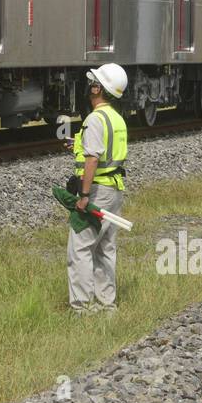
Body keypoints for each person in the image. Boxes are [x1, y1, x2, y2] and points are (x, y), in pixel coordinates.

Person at [65, 62, 129, 314]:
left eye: (92, 82)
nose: (88, 86)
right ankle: (106, 304)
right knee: (106, 247)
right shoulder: (116, 118)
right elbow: (106, 150)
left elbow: (93, 159)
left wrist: (84, 194)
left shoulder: (94, 119)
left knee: (80, 248)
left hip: (97, 191)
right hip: (115, 189)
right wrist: (78, 144)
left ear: (96, 89)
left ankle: (81, 307)